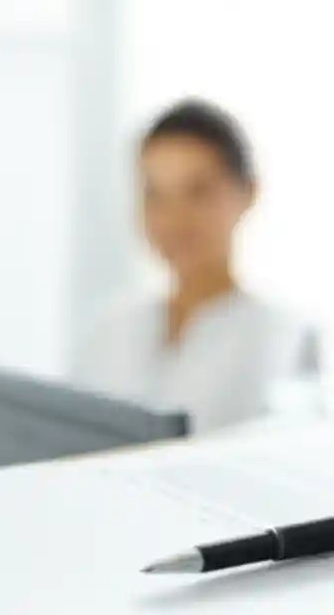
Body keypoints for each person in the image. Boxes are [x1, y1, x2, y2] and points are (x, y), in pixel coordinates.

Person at [74, 99, 319, 433]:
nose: (175, 220)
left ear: (248, 193)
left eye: (198, 192)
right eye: (154, 195)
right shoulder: (107, 328)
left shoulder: (286, 339)